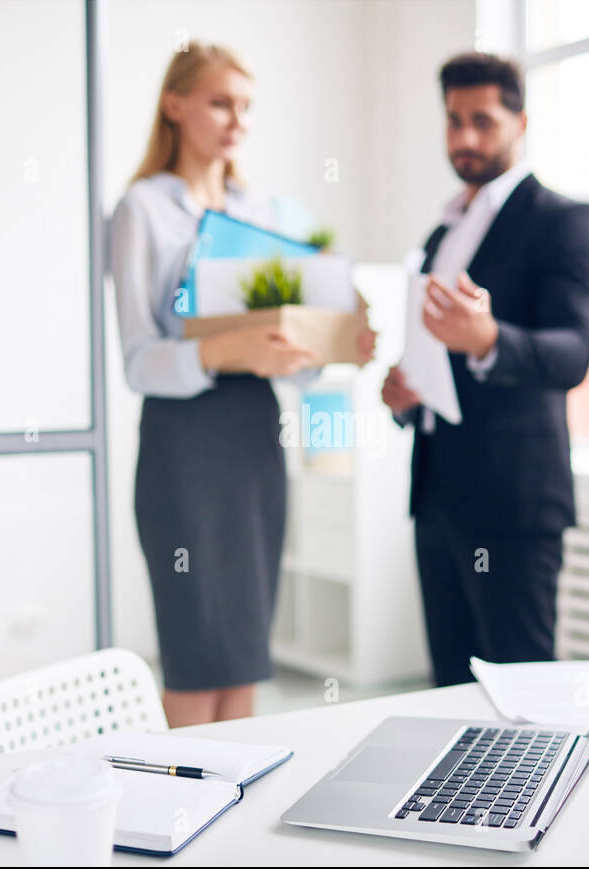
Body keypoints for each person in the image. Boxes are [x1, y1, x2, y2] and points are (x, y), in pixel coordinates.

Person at [110, 41, 373, 727]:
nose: (237, 121)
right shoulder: (141, 210)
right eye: (221, 102)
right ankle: (180, 816)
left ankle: (234, 810)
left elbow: (295, 346)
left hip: (255, 437)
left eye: (247, 108)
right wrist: (228, 350)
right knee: (198, 651)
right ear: (176, 105)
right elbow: (139, 360)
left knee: (245, 652)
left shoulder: (264, 213)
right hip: (183, 444)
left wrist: (336, 340)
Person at [381, 52, 589, 687]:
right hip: (436, 499)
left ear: (521, 121)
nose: (465, 138)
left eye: (482, 120)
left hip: (513, 506)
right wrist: (403, 393)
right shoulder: (438, 235)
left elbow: (573, 354)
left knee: (524, 697)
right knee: (448, 692)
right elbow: (430, 361)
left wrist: (487, 340)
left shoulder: (565, 221)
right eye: (453, 121)